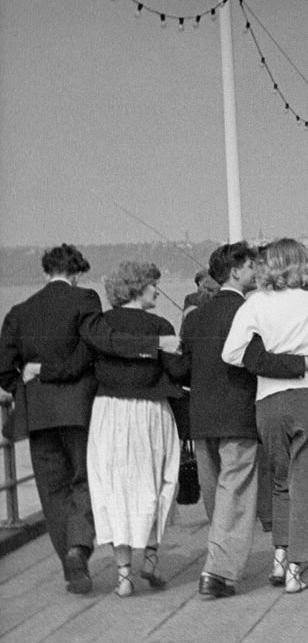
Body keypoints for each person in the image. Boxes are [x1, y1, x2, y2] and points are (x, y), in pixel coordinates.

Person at [0, 244, 177, 595]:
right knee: (84, 481)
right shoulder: (85, 300)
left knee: (52, 489)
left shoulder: (19, 311)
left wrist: (26, 373)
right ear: (77, 271)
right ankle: (78, 548)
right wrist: (153, 346)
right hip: (80, 409)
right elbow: (98, 344)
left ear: (46, 271)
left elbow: (4, 370)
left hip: (37, 414)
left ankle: (70, 559)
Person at [179, 242, 308, 599]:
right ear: (236, 271)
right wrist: (302, 365)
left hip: (201, 420)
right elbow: (257, 360)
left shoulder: (196, 316)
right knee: (234, 495)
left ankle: (220, 559)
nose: (257, 270)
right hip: (238, 416)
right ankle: (217, 572)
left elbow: (181, 366)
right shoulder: (249, 312)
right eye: (251, 265)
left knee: (217, 497)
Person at [222, 238, 308, 593]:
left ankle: (278, 555)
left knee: (279, 482)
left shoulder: (254, 303)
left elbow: (232, 353)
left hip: (268, 399)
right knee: (306, 485)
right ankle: (295, 567)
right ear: (298, 266)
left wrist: (270, 359)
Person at [87, 261, 189, 597]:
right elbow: (178, 370)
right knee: (156, 483)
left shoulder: (101, 323)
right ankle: (151, 557)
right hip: (149, 412)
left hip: (109, 413)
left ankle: (123, 575)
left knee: (114, 489)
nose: (157, 290)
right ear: (138, 288)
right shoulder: (159, 324)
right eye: (153, 285)